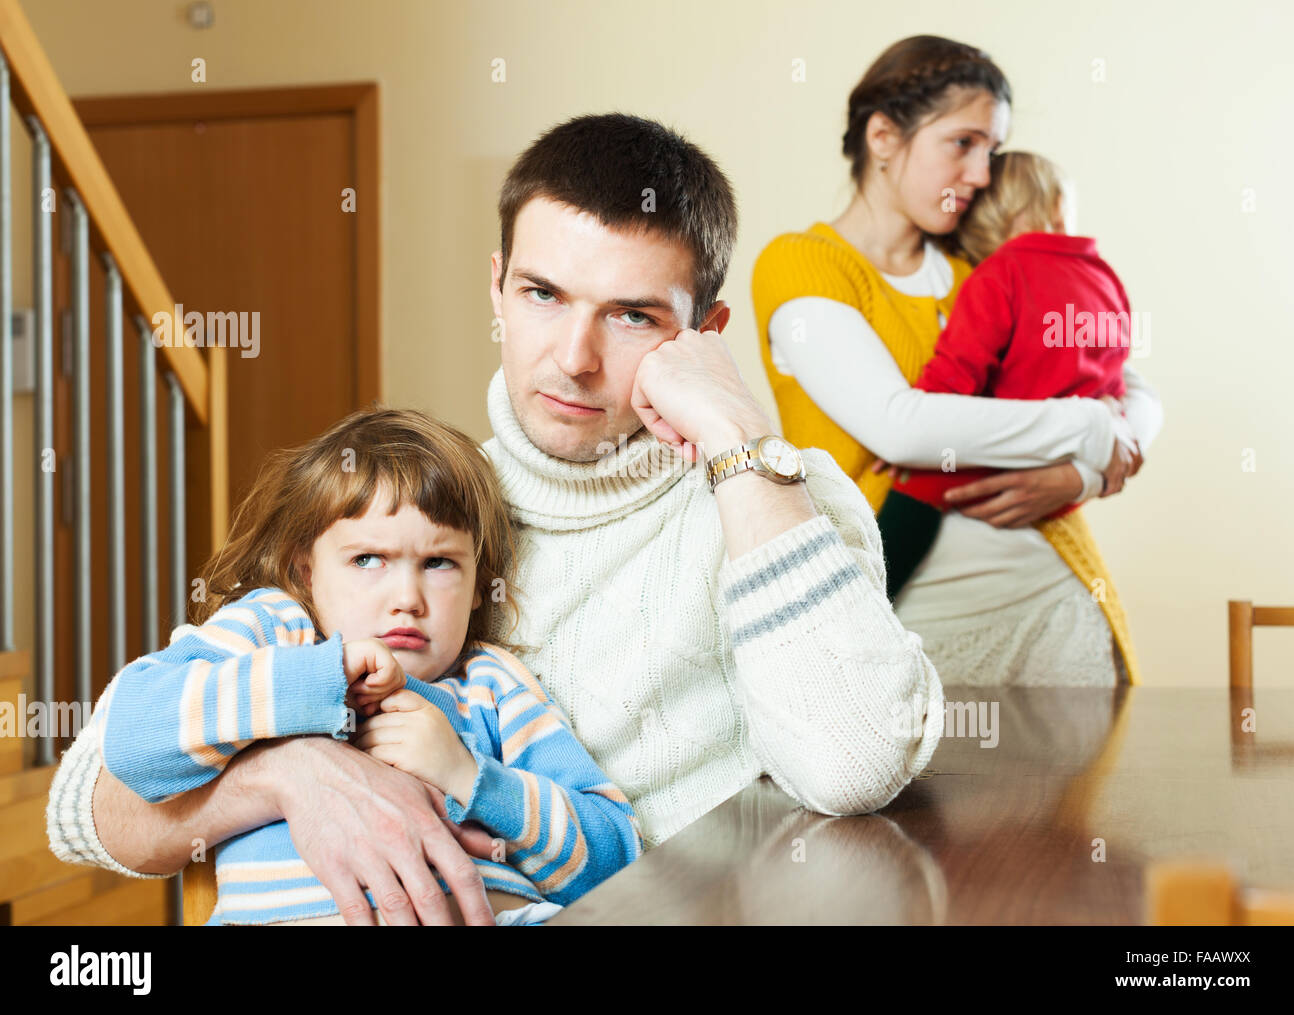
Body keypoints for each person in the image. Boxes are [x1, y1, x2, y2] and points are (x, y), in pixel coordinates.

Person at [47, 112, 947, 925]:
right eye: (542, 294)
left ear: (702, 332)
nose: (574, 358)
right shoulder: (418, 512)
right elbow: (85, 804)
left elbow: (855, 763)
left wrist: (740, 441)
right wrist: (293, 773)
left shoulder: (777, 494)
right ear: (497, 289)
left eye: (631, 316)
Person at [93, 407, 642, 925]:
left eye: (439, 563)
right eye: (367, 559)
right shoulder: (277, 631)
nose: (407, 597)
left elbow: (619, 861)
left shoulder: (492, 682)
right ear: (306, 571)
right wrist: (320, 677)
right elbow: (135, 732)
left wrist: (472, 776)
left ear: (480, 585)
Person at [752, 35, 1163, 688]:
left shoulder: (988, 268)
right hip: (907, 633)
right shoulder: (804, 265)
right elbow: (901, 427)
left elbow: (1131, 387)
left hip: (1059, 616)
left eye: (993, 150)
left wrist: (1081, 479)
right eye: (963, 144)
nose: (982, 173)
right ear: (883, 136)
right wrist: (1089, 433)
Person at [877, 150, 1138, 599]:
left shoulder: (1001, 274)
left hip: (1007, 451)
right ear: (1058, 208)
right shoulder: (1107, 280)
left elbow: (960, 366)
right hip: (1073, 475)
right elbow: (1116, 379)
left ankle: (866, 599)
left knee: (916, 491)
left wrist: (911, 440)